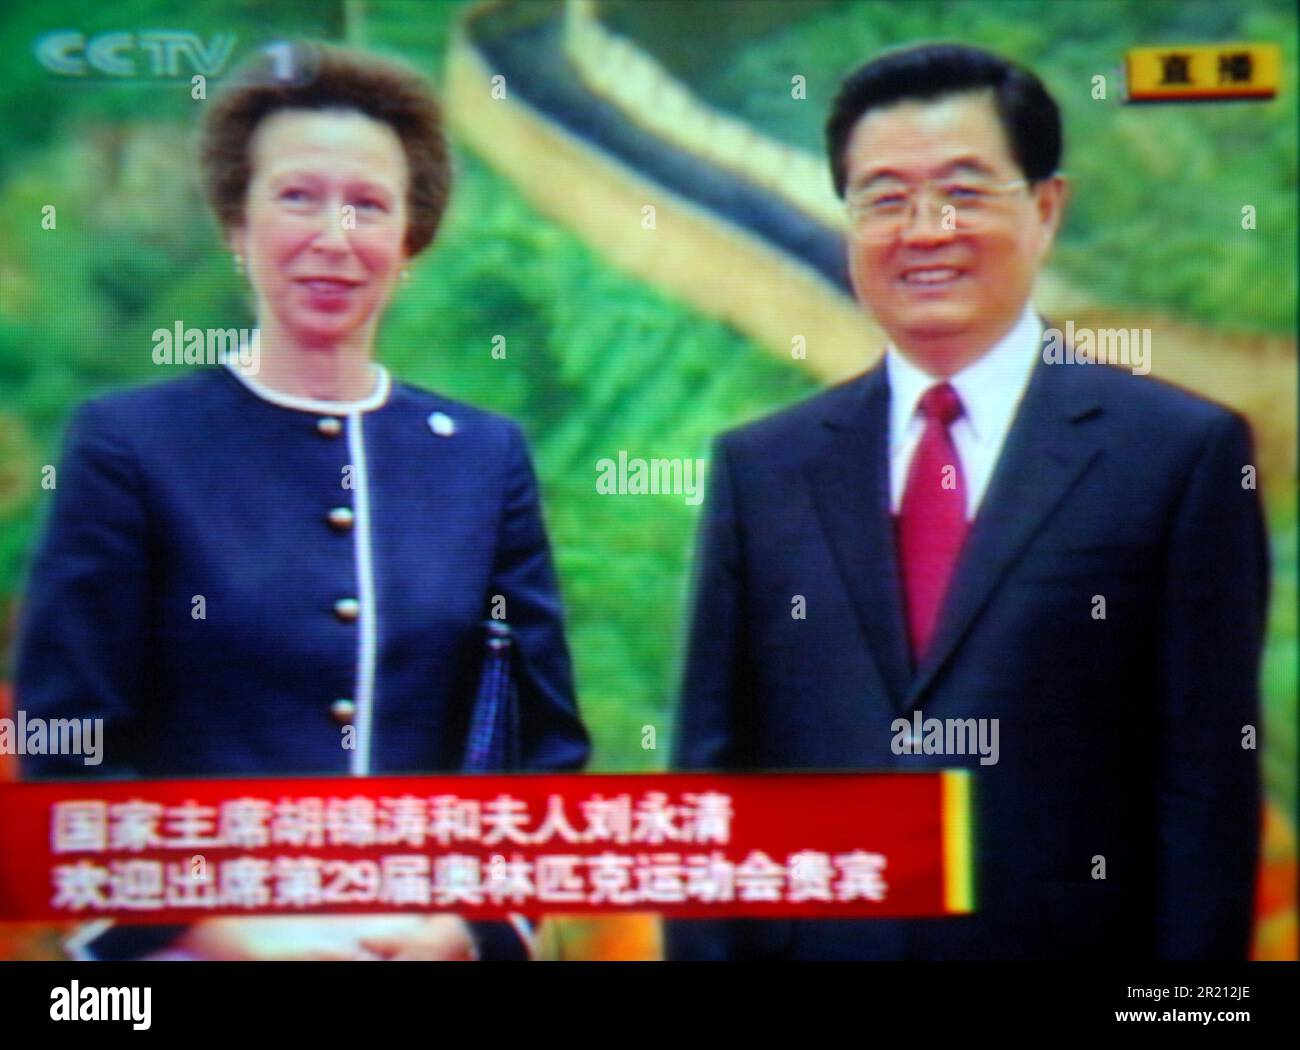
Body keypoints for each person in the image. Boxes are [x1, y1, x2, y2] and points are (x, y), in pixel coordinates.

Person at [667, 42, 1268, 960]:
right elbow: (713, 785)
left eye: (964, 189)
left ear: (1045, 208)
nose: (925, 228)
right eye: (883, 199)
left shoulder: (1179, 457)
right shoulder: (763, 471)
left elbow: (1206, 796)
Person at [15, 41, 588, 961]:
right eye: (297, 197)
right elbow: (69, 736)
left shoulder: (483, 459)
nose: (334, 236)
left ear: (411, 240)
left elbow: (541, 740)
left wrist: (466, 930)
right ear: (236, 225)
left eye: (368, 205)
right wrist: (230, 934)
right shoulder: (131, 447)